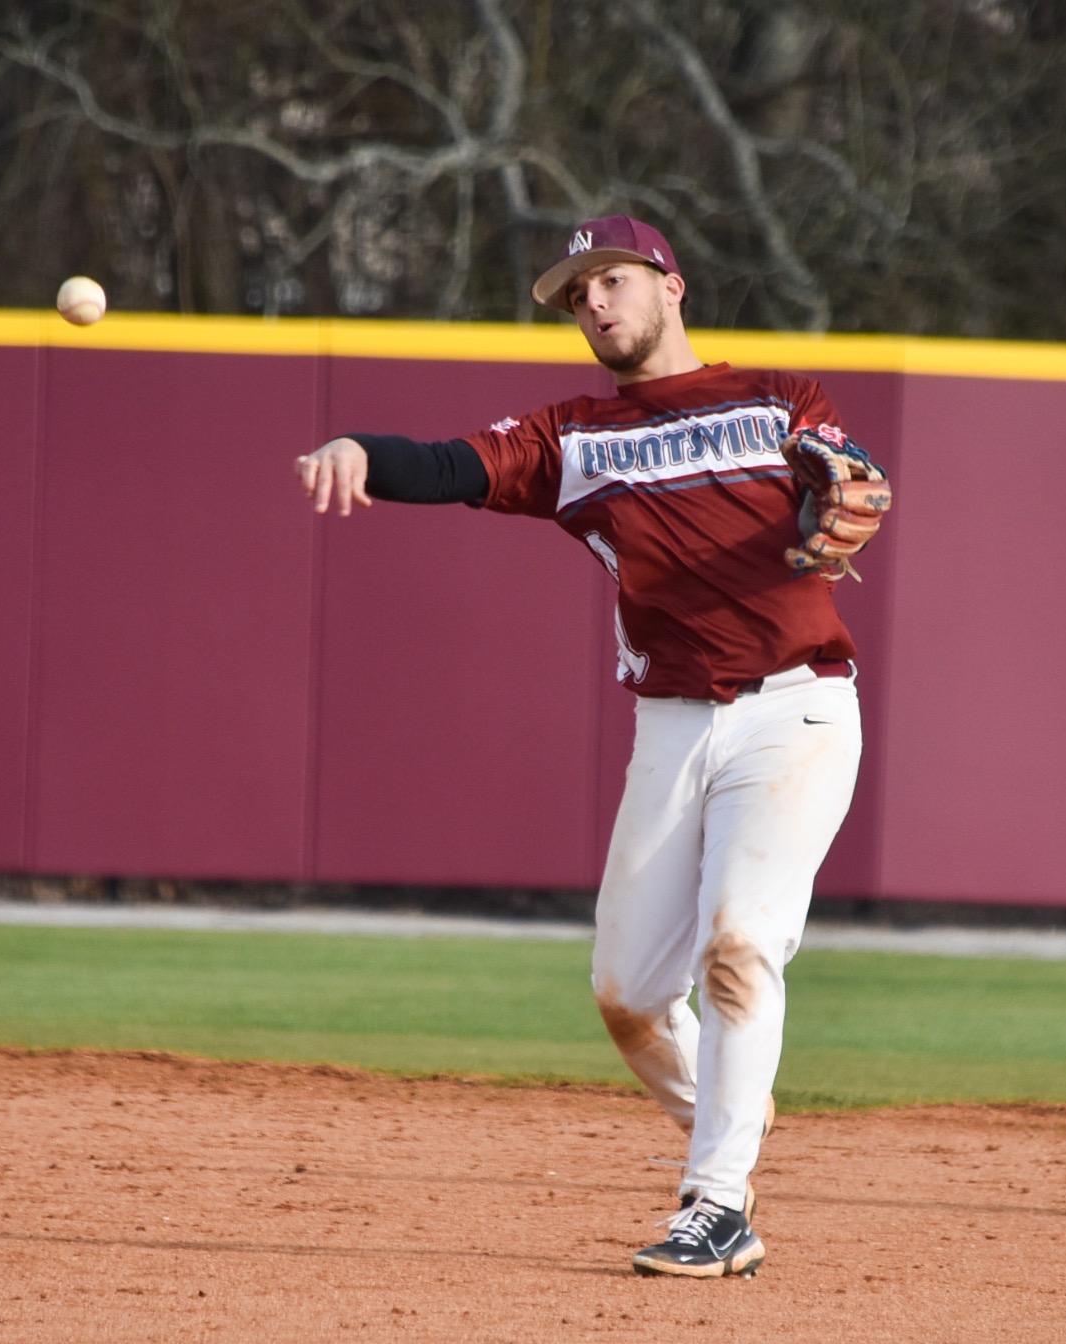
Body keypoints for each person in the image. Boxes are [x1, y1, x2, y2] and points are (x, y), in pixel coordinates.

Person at [293, 216, 890, 1279]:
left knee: (741, 948)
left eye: (608, 281)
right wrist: (360, 453)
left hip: (794, 712)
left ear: (669, 285)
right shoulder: (574, 439)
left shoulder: (775, 397)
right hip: (669, 721)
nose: (593, 306)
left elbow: (849, 482)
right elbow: (449, 464)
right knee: (625, 996)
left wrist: (837, 482)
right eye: (575, 297)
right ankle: (731, 1132)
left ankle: (714, 1200)